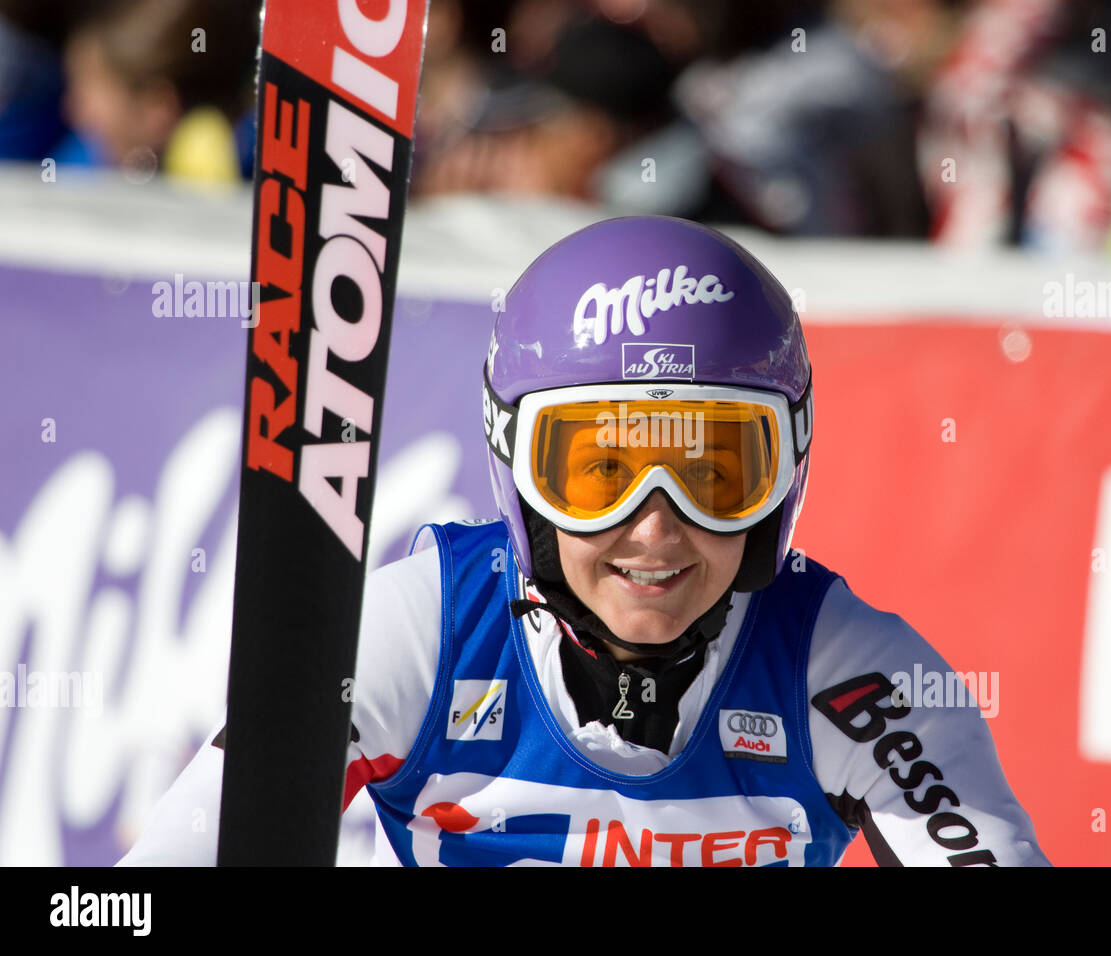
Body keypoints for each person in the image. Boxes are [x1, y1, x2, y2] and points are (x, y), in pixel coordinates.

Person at [120, 216, 1048, 867]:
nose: (655, 525)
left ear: (786, 473)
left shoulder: (849, 675)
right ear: (519, 467)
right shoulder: (420, 630)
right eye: (602, 473)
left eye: (716, 472)